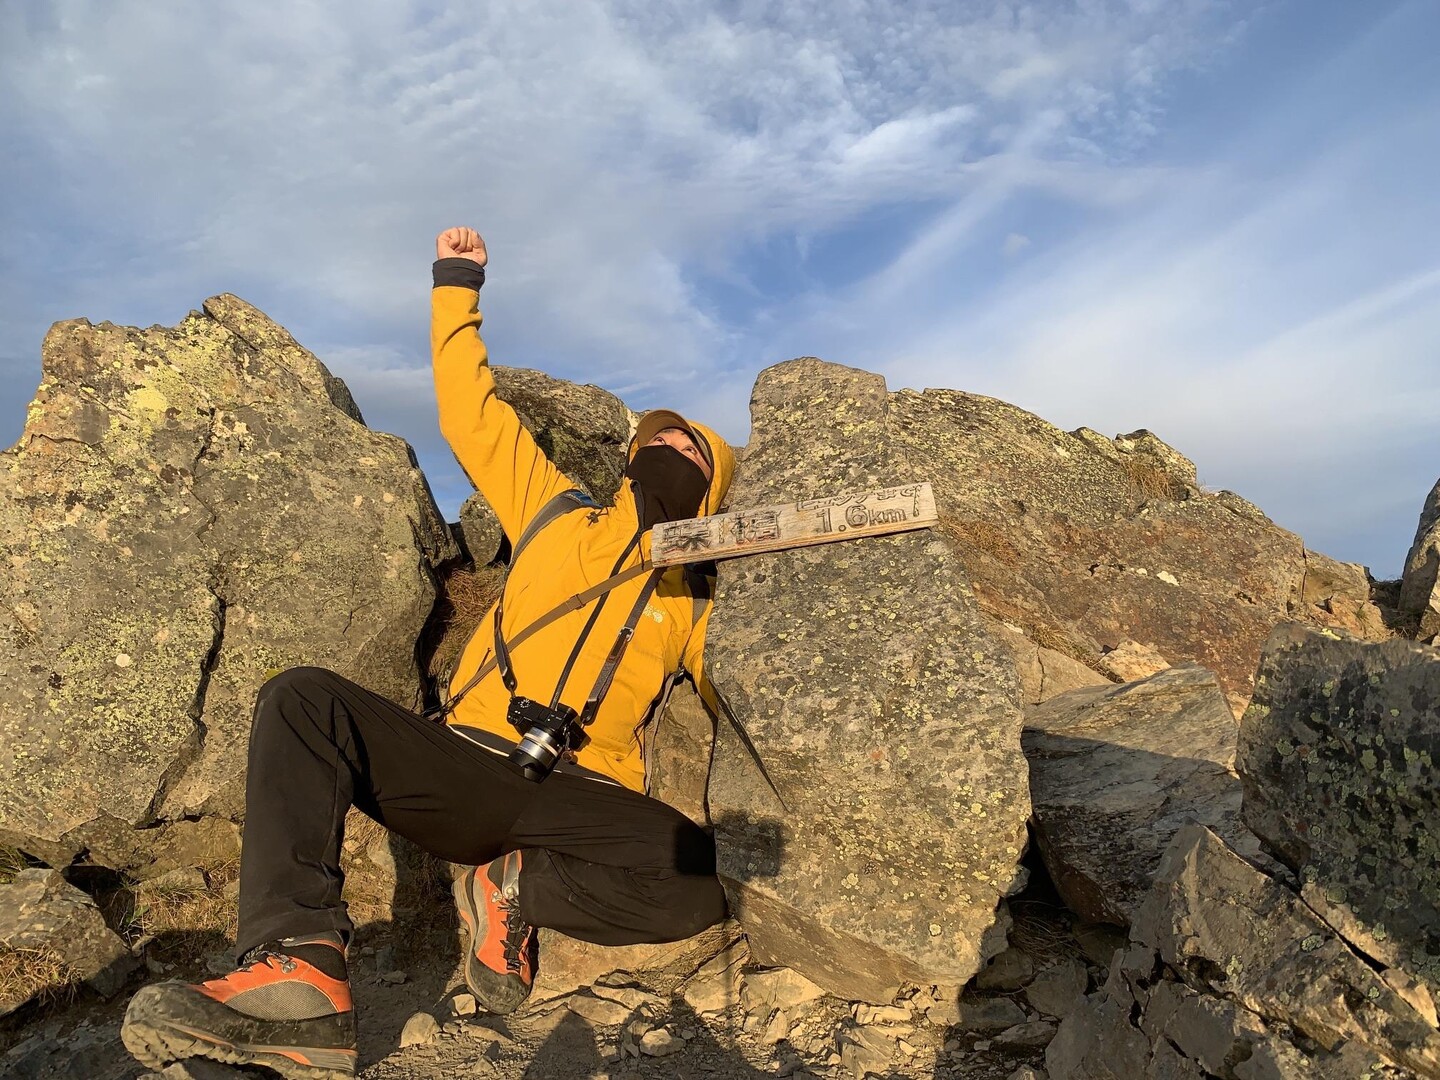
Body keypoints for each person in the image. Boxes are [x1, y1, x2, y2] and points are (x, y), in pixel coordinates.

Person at [121, 226, 737, 1079]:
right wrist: (457, 287)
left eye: (693, 449)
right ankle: (299, 971)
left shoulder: (696, 597)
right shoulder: (556, 510)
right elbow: (469, 415)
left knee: (702, 880)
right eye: (658, 443)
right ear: (631, 460)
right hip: (465, 762)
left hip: (581, 798)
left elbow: (740, 696)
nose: (671, 449)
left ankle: (515, 888)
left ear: (713, 490)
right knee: (303, 700)